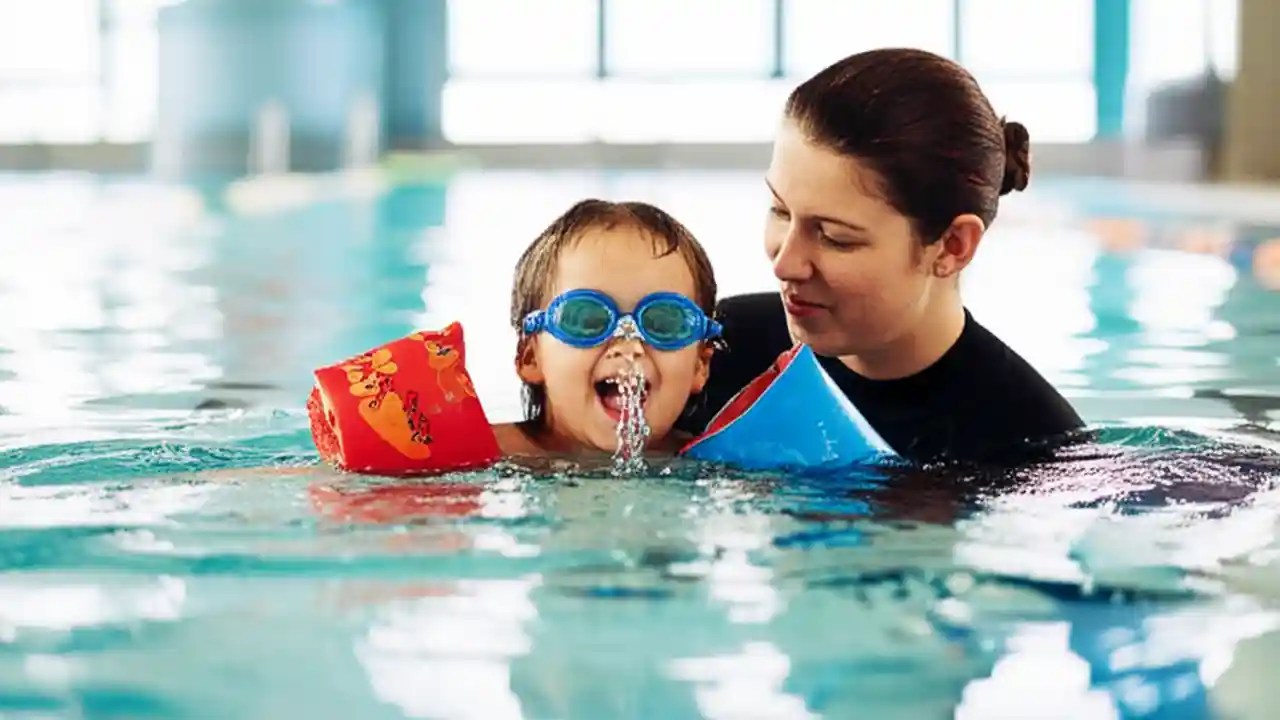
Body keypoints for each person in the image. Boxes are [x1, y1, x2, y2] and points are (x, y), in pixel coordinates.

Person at [678, 48, 1084, 465]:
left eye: (835, 237)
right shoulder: (720, 351)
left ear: (952, 246)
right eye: (781, 211)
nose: (785, 263)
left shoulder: (1031, 446)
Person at [493, 198, 721, 458]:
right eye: (587, 321)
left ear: (699, 366)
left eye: (663, 325)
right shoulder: (482, 454)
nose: (629, 346)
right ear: (531, 357)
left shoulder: (720, 464)